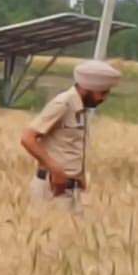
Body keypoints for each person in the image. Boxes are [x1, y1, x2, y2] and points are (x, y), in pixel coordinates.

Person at [20, 59, 121, 212]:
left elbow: (69, 145)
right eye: (102, 93)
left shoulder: (80, 107)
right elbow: (28, 138)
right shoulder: (63, 104)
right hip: (53, 189)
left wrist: (79, 176)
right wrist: (55, 168)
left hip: (71, 190)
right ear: (88, 88)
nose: (103, 98)